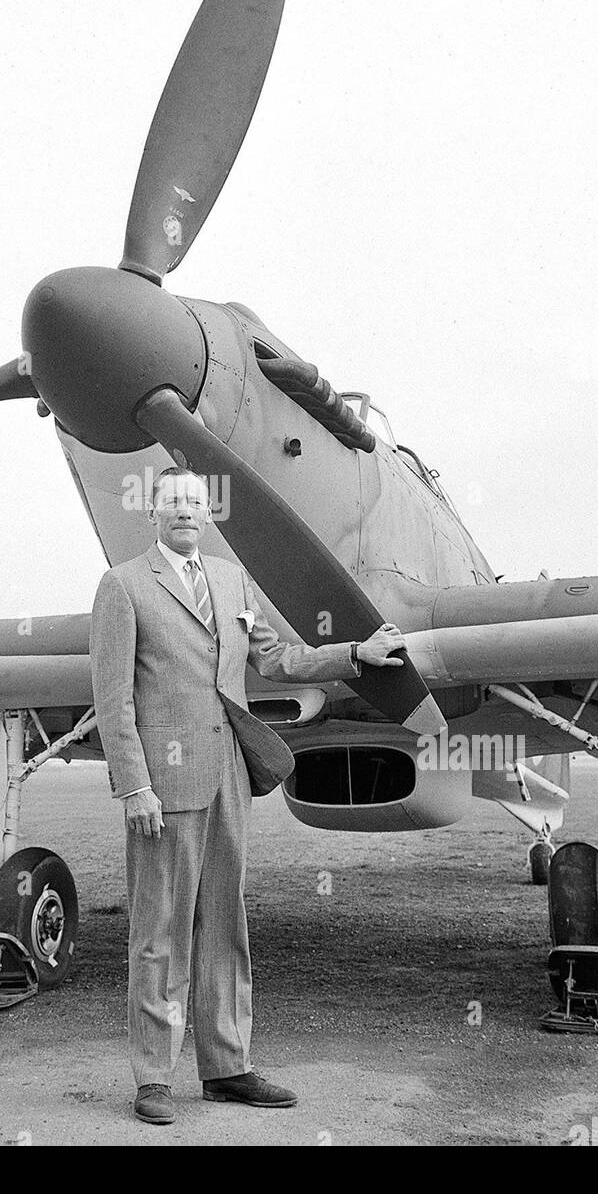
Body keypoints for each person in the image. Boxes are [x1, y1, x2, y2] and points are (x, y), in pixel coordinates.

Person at [89, 465, 407, 1124]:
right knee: (158, 933)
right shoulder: (122, 587)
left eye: (194, 503)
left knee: (226, 927)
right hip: (165, 786)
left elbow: (277, 660)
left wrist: (357, 653)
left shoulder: (233, 582)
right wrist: (135, 786)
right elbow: (113, 700)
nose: (184, 511)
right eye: (172, 501)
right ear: (153, 511)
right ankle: (154, 1076)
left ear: (207, 514)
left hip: (229, 776)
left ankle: (228, 1066)